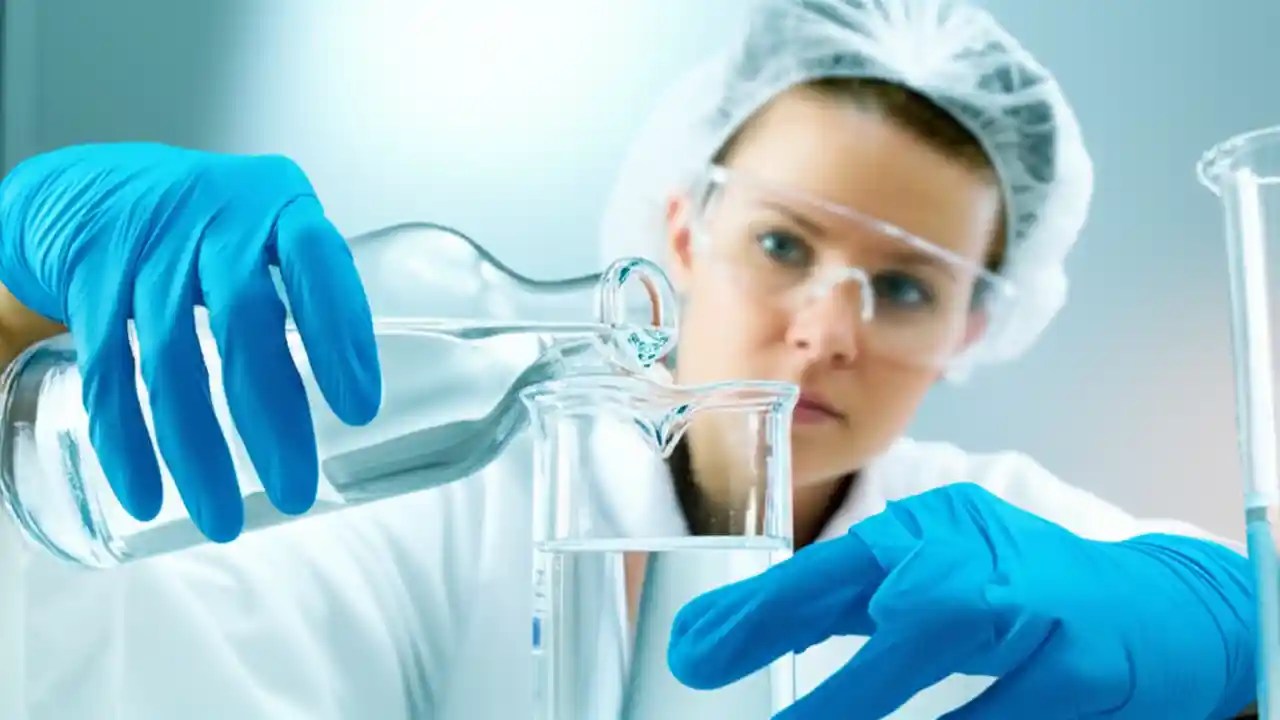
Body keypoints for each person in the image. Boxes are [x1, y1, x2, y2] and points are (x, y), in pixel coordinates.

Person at [0, 0, 1258, 718]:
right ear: (679, 229)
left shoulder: (1008, 541)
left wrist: (1242, 636)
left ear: (974, 328)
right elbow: (100, 651)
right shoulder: (449, 500)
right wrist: (11, 308)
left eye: (902, 286)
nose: (824, 329)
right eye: (778, 241)